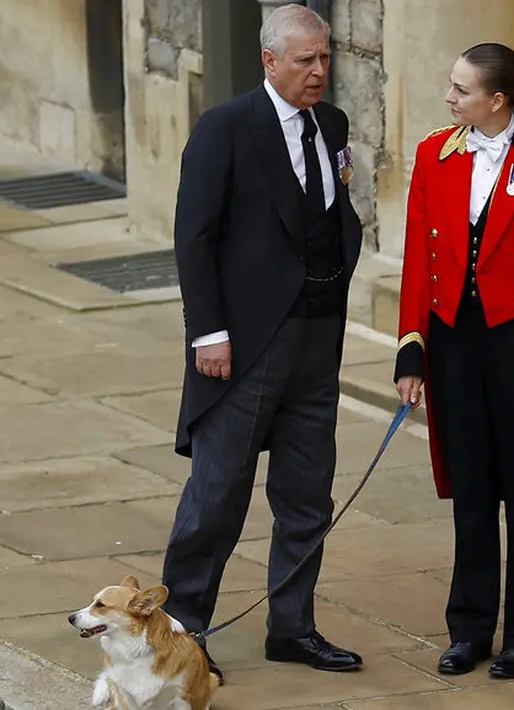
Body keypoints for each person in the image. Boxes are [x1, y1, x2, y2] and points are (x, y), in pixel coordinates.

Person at [163, 4, 365, 680]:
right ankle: (182, 630)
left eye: (325, 58)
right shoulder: (225, 128)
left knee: (308, 494)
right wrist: (209, 334)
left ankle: (293, 626)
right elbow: (195, 238)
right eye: (305, 60)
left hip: (316, 339)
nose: (319, 72)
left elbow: (337, 216)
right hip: (244, 346)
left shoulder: (330, 124)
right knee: (217, 494)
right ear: (269, 61)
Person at [392, 42, 514, 680]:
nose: (449, 98)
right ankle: (469, 628)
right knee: (471, 491)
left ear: (496, 100)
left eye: (460, 90)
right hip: (454, 344)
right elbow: (418, 262)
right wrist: (411, 353)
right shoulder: (433, 154)